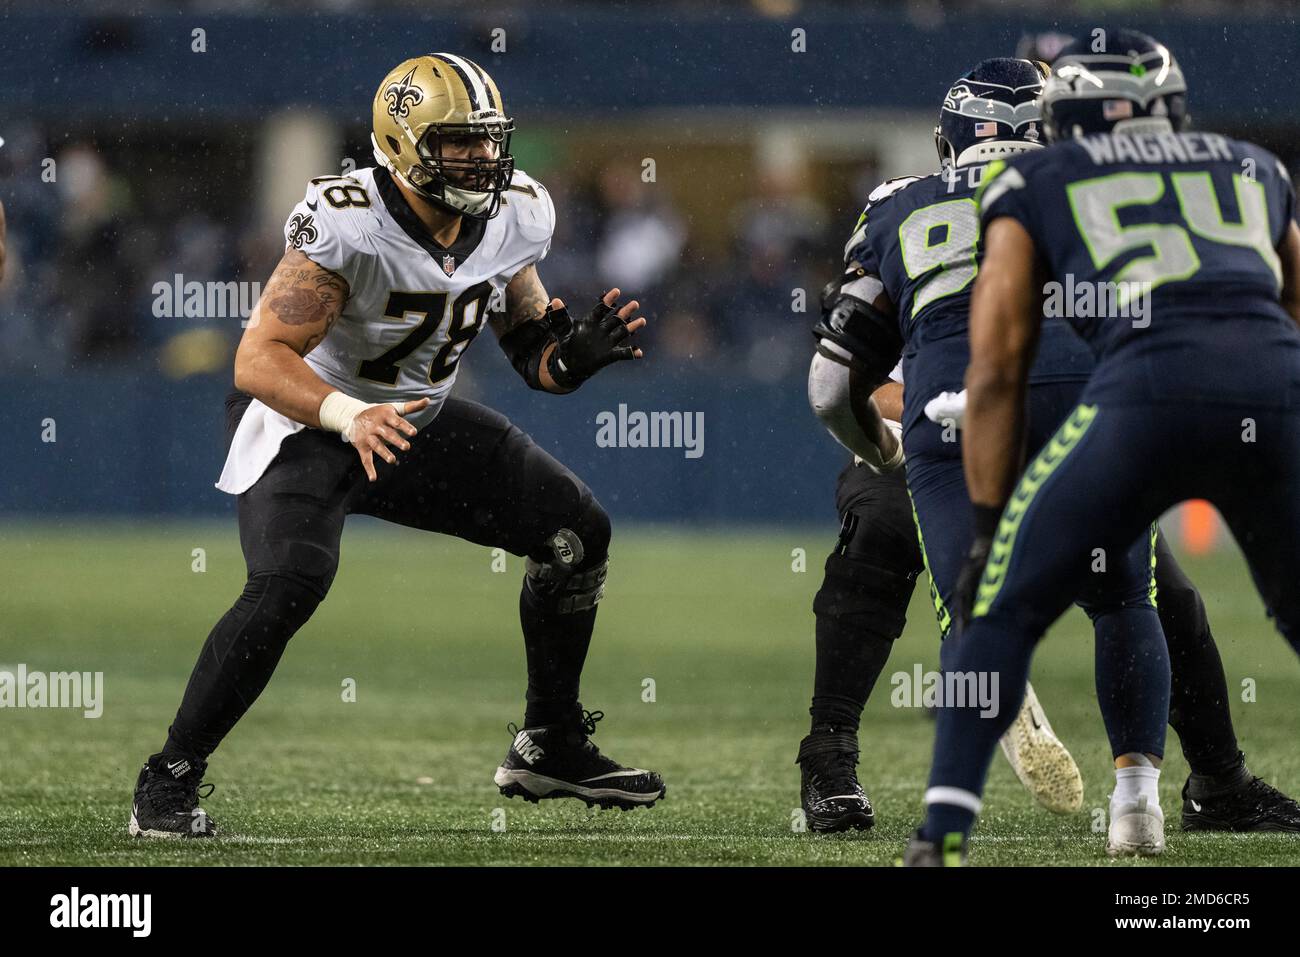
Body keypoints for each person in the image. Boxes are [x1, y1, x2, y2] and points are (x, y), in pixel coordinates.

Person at [129, 54, 664, 839]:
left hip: (412, 416)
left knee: (576, 533)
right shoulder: (347, 221)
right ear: (404, 144)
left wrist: (571, 355)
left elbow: (532, 346)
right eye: (460, 143)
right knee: (291, 579)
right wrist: (347, 415)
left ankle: (549, 741)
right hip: (305, 416)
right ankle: (167, 778)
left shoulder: (517, 213)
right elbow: (258, 358)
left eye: (489, 141)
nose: (484, 159)